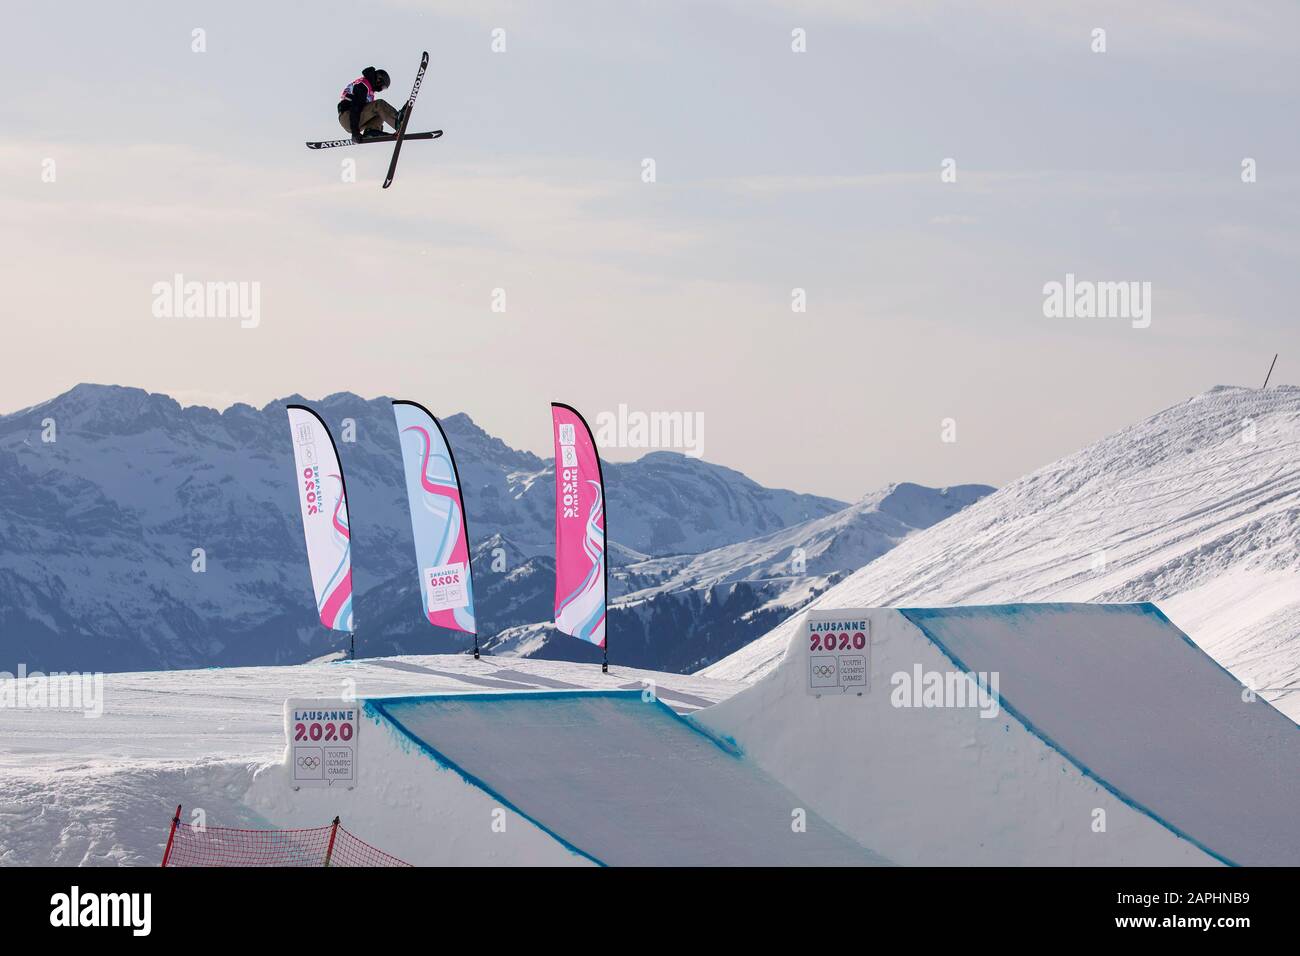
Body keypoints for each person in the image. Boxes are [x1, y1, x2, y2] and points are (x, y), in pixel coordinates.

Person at [337, 67, 406, 143]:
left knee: (380, 112)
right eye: (383, 87)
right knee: (379, 104)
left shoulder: (369, 91)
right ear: (378, 80)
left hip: (353, 119)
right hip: (348, 116)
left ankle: (371, 132)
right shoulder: (363, 85)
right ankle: (396, 120)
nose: (381, 90)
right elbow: (355, 107)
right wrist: (355, 132)